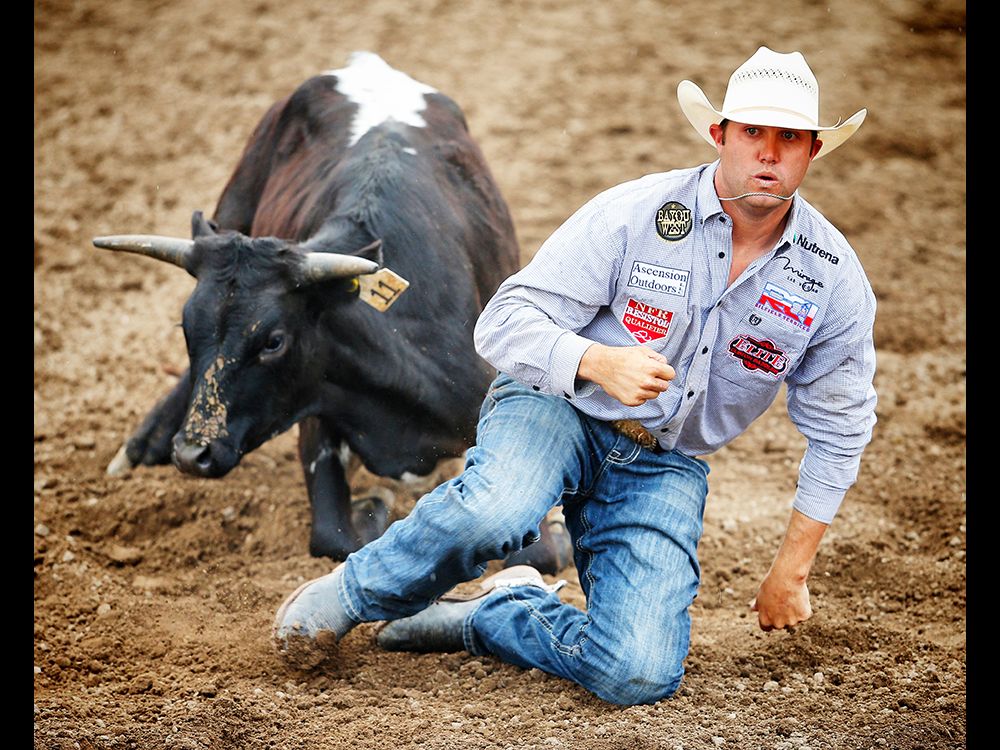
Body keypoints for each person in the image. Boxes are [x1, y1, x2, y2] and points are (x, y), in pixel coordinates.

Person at [272, 46, 877, 706]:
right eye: (752, 133)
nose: (767, 153)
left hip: (663, 461)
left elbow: (840, 428)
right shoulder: (636, 213)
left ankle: (495, 614)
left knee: (638, 672)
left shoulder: (831, 278)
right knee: (498, 507)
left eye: (788, 138)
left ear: (813, 151)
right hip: (554, 404)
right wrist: (595, 361)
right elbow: (504, 320)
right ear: (719, 136)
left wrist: (791, 571)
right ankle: (351, 592)